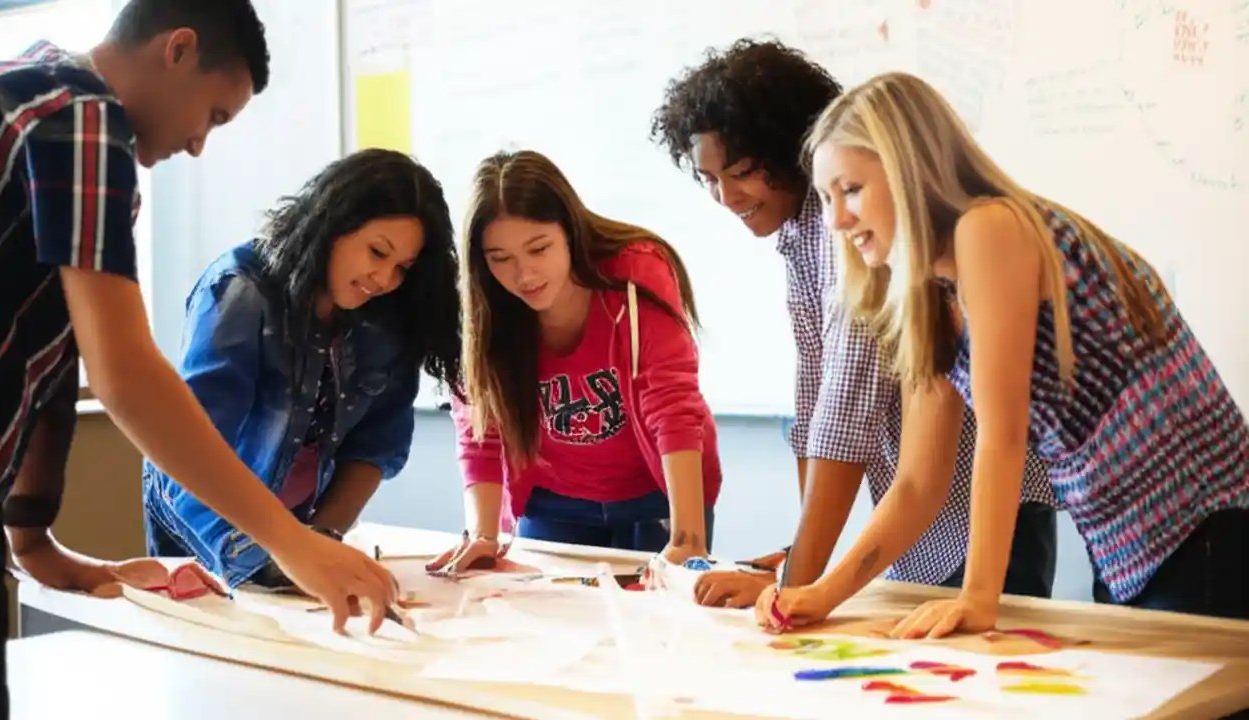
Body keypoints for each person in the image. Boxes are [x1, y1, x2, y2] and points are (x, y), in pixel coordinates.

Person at [0, 2, 393, 715]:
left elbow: (49, 352)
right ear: (178, 50)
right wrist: (291, 540)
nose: (199, 144)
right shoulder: (83, 119)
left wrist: (34, 542)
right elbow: (126, 375)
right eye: (215, 115)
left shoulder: (18, 85)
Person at [759, 70, 1249, 635]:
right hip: (1126, 545)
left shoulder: (989, 228)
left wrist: (977, 598)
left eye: (850, 190)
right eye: (824, 198)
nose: (836, 220)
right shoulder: (928, 294)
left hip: (1203, 522)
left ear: (910, 171)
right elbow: (919, 484)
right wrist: (822, 594)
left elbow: (1003, 429)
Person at [650, 39, 1058, 609]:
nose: (726, 197)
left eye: (742, 171)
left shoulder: (874, 238)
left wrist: (799, 580)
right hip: (919, 524)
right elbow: (819, 405)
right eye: (709, 179)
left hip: (981, 523)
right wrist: (801, 567)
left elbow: (848, 411)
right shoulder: (806, 236)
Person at [143, 149, 462, 588]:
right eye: (377, 252)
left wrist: (324, 537)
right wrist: (273, 555)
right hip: (207, 524)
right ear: (332, 225)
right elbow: (189, 448)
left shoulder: (387, 314)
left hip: (296, 526)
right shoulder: (242, 292)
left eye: (402, 268)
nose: (384, 278)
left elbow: (374, 444)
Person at [426, 150, 721, 574]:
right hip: (556, 500)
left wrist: (688, 540)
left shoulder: (635, 273)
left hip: (656, 492)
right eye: (500, 258)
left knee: (658, 622)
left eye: (539, 248)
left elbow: (672, 403)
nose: (524, 275)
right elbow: (480, 429)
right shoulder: (483, 306)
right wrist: (484, 535)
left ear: (570, 231)